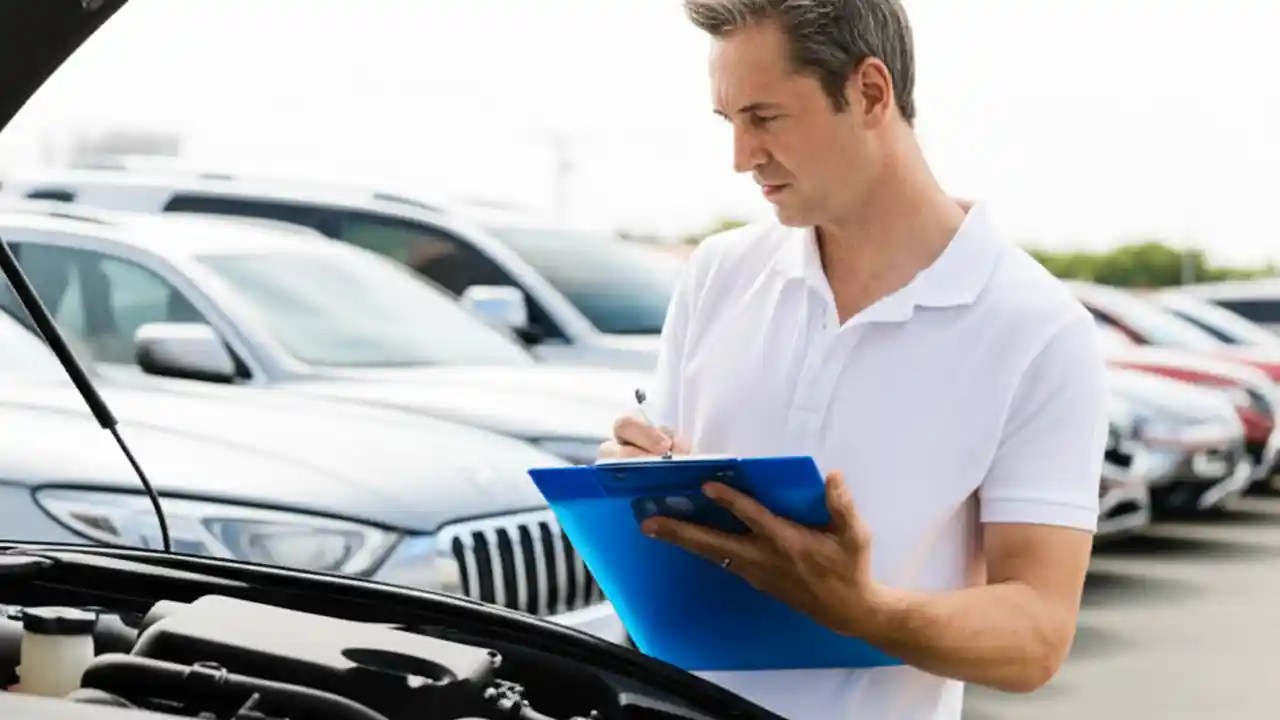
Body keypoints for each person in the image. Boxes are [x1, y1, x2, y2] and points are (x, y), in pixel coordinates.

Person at [596, 1, 1108, 719]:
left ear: (869, 92)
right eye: (730, 123)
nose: (741, 157)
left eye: (765, 118)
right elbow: (681, 529)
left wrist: (864, 608)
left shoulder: (1038, 329)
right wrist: (631, 483)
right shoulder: (719, 272)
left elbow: (1035, 638)